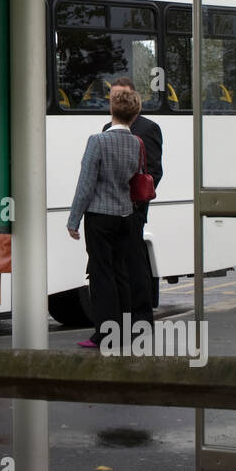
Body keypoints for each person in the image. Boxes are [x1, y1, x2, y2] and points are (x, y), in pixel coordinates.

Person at [67, 87, 144, 349]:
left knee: (101, 275)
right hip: (125, 214)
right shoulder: (135, 142)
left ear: (111, 110)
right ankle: (124, 329)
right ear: (134, 115)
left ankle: (104, 332)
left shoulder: (97, 141)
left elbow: (85, 183)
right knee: (121, 272)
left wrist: (73, 219)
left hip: (100, 216)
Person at [102, 76, 163, 322]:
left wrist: (135, 201)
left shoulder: (148, 128)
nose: (117, 100)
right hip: (111, 210)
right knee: (116, 267)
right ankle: (121, 318)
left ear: (134, 98)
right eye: (113, 96)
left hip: (134, 210)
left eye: (121, 95)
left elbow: (154, 171)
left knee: (135, 265)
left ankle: (141, 318)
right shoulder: (107, 129)